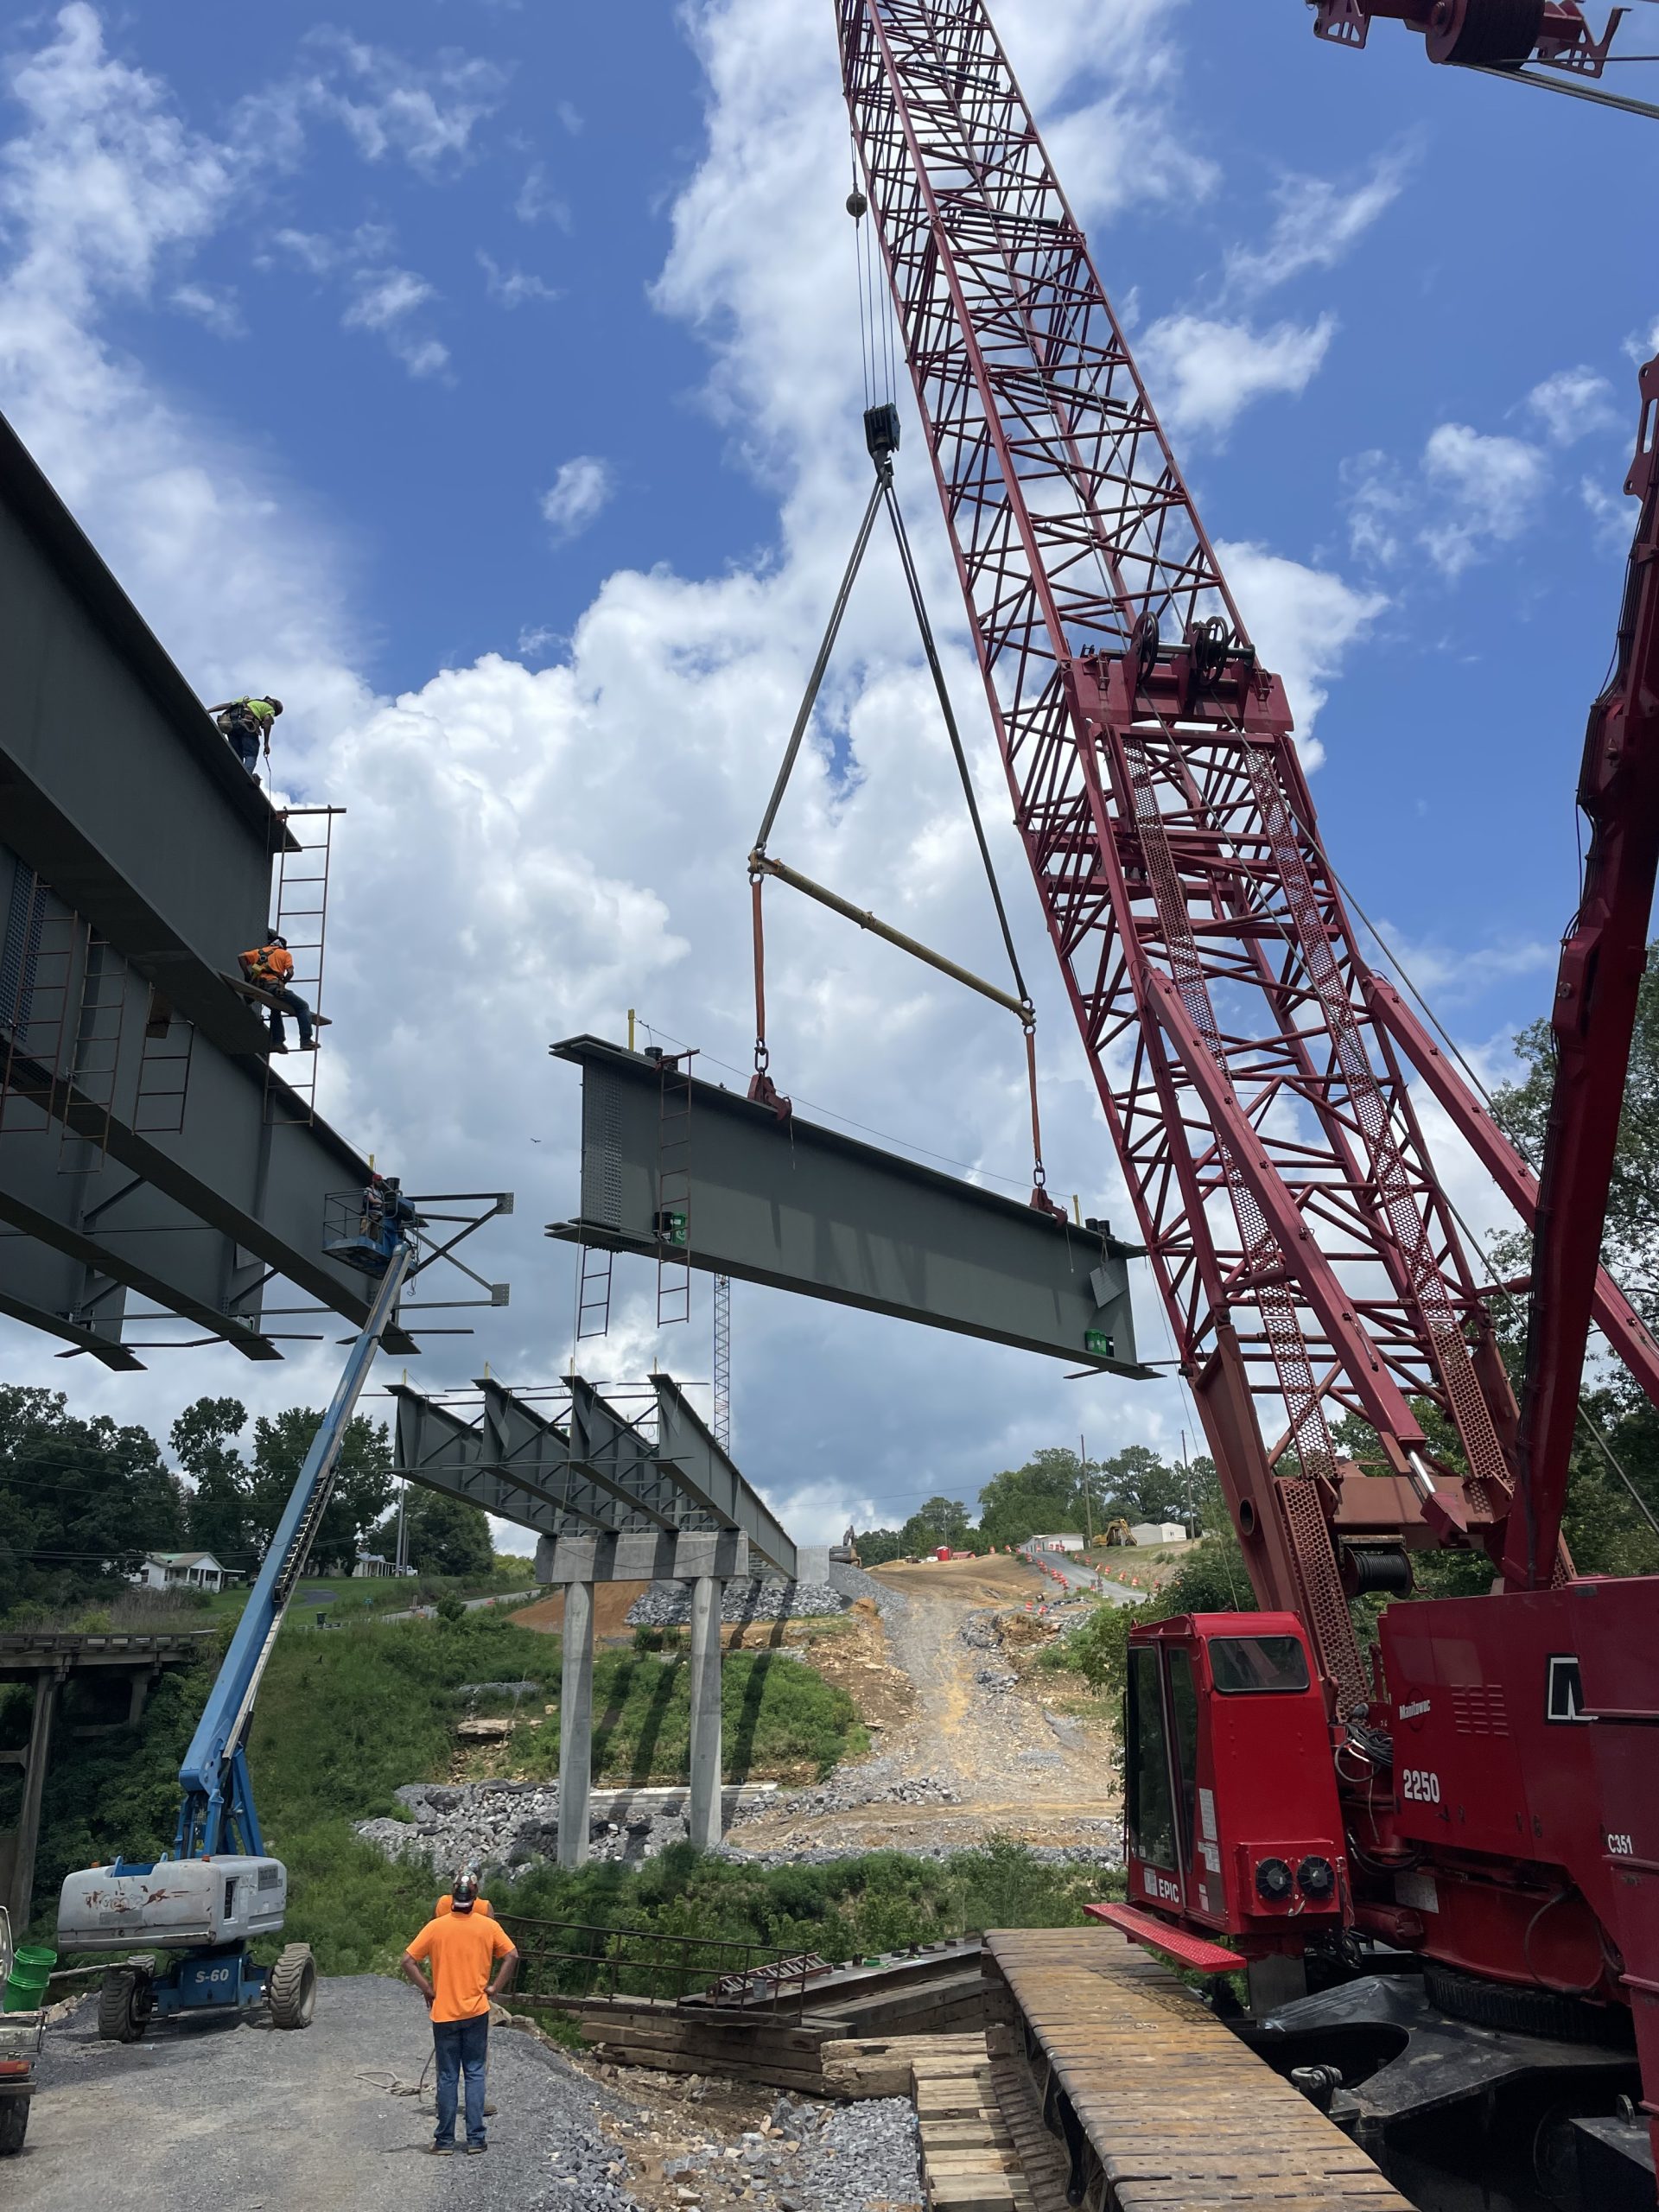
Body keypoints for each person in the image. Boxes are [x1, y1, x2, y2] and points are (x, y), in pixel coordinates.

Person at [401, 1869, 518, 2157]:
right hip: (476, 2011)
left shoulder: (436, 1927)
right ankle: (476, 2139)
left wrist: (427, 1989)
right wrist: (495, 1988)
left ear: (452, 1897)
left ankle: (444, 2141)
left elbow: (407, 1961)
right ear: (475, 1897)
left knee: (448, 2077)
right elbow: (512, 1955)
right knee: (475, 2073)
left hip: (444, 2013)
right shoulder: (487, 1926)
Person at [238, 931, 313, 1054]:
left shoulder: (260, 952)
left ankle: (277, 1043)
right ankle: (306, 1040)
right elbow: (290, 973)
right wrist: (283, 982)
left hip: (258, 986)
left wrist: (247, 976)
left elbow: (241, 957)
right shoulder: (285, 954)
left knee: (275, 1009)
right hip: (273, 986)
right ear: (283, 946)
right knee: (303, 1006)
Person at [207, 694, 283, 775]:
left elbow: (226, 705)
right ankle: (243, 776)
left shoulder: (247, 701)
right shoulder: (270, 708)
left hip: (231, 725)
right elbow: (267, 720)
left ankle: (231, 772)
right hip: (247, 726)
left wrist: (208, 711)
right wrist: (266, 743)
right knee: (251, 755)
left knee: (236, 755)